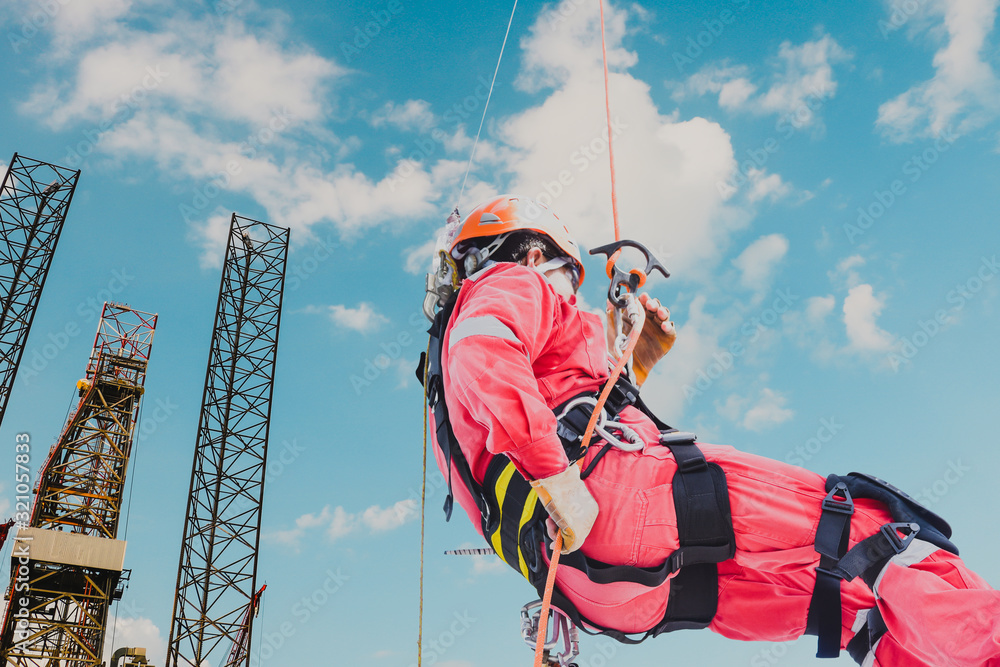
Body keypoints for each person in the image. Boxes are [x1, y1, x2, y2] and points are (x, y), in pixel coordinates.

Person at [422, 194, 1000, 666]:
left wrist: (633, 364)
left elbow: (562, 402)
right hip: (618, 501)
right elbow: (489, 356)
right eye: (567, 281)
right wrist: (558, 477)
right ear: (531, 252)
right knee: (876, 534)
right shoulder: (508, 282)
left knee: (846, 609)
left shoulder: (446, 401)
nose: (568, 299)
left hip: (598, 588)